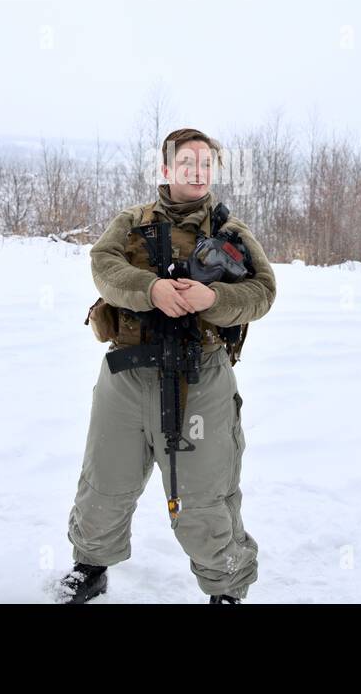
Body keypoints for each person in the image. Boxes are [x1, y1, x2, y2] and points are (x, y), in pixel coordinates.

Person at [59, 128, 275, 603]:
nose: (196, 172)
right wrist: (150, 289)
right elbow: (103, 264)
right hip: (127, 373)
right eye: (186, 163)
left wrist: (213, 297)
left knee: (205, 495)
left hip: (201, 375)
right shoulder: (131, 222)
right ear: (166, 169)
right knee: (105, 481)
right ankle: (90, 566)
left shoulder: (230, 232)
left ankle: (226, 587)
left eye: (205, 164)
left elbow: (263, 292)